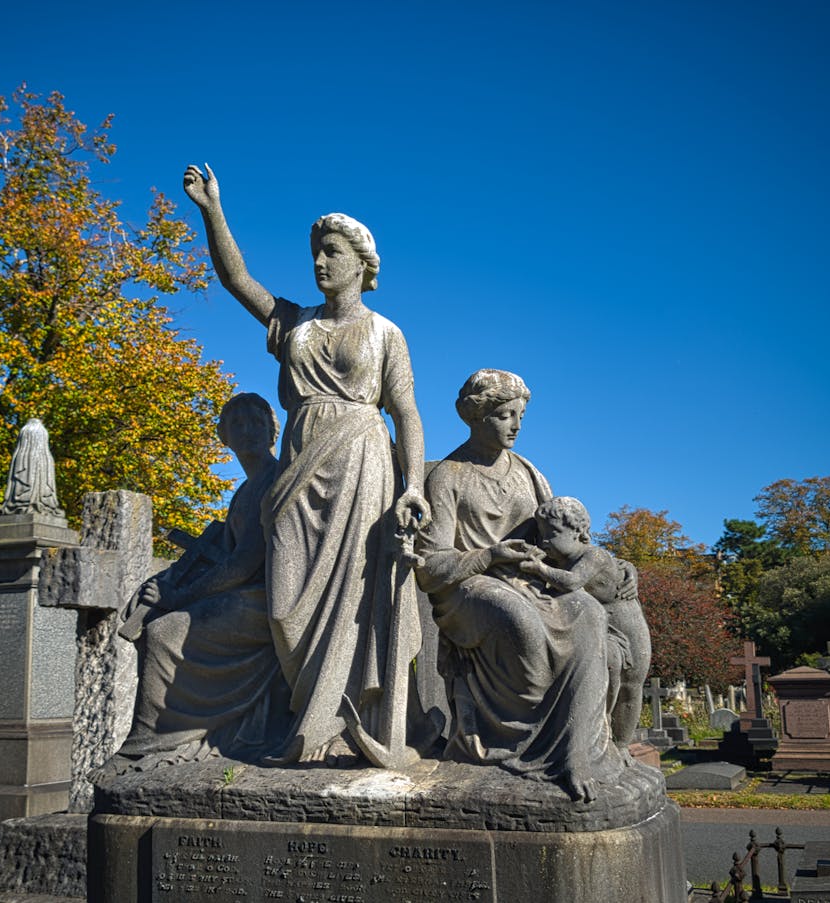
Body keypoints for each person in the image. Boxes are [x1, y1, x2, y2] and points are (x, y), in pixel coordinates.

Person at [182, 164, 430, 765]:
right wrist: (213, 211)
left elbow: (407, 414)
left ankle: (337, 727)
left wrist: (413, 485)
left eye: (332, 252)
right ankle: (306, 715)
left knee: (356, 596)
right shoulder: (294, 323)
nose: (320, 262)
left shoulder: (385, 333)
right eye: (315, 252)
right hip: (298, 470)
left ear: (361, 263)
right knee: (287, 605)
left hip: (362, 461)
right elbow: (237, 279)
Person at [415, 369, 622, 802]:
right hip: (469, 590)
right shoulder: (448, 477)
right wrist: (490, 556)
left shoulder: (529, 473)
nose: (515, 425)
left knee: (589, 612)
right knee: (519, 621)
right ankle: (521, 746)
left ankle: (577, 752)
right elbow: (430, 566)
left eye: (520, 416)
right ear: (475, 417)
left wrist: (602, 564)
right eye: (505, 415)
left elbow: (564, 541)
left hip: (530, 583)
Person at [113, 393, 290, 765]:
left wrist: (179, 595)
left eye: (256, 422)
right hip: (245, 596)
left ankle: (152, 741)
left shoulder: (275, 481)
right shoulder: (244, 490)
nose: (247, 431)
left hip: (270, 599)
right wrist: (166, 582)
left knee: (166, 632)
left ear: (273, 430)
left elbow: (243, 565)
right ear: (222, 437)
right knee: (155, 625)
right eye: (236, 425)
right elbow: (221, 559)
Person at [522, 496, 651, 754]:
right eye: (542, 534)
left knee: (630, 688)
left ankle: (622, 747)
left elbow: (571, 582)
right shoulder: (559, 561)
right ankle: (603, 737)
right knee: (608, 679)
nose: (545, 540)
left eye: (554, 533)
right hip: (604, 630)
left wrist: (537, 569)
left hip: (629, 627)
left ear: (580, 533)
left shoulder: (595, 555)